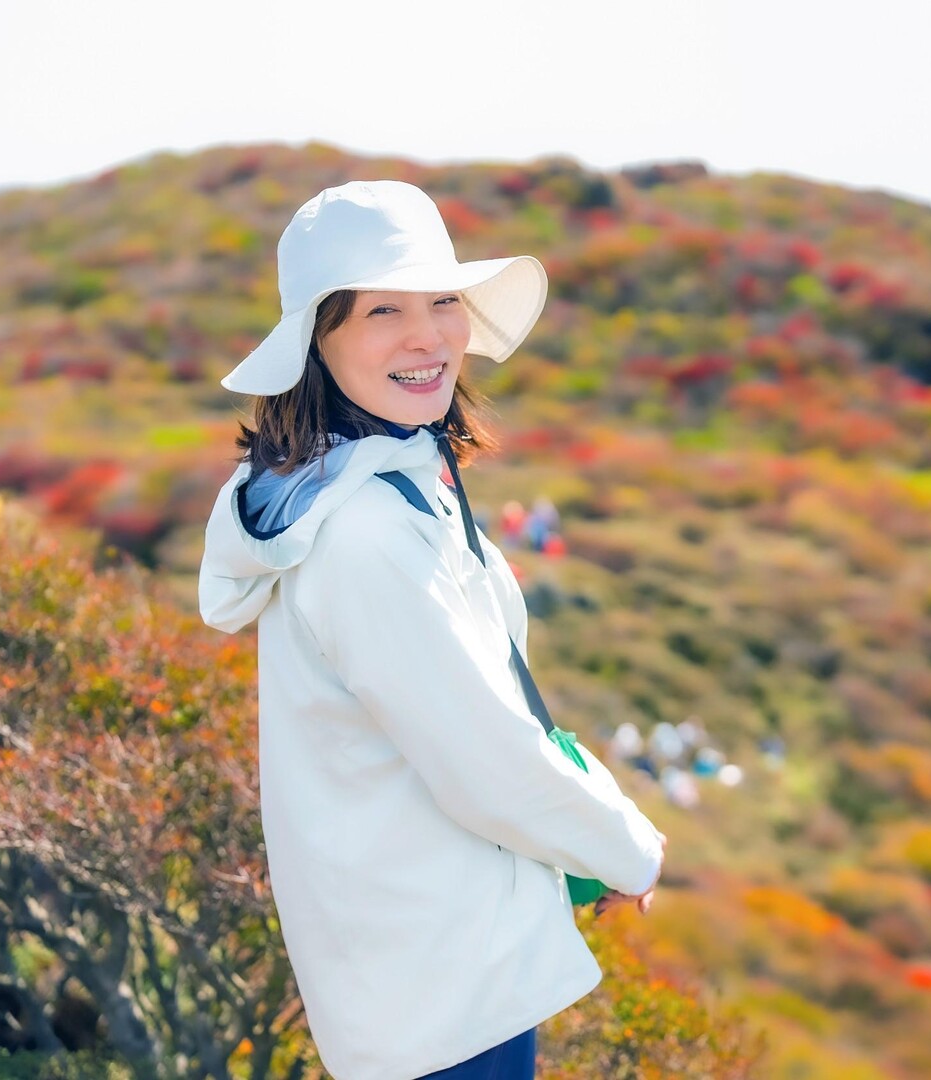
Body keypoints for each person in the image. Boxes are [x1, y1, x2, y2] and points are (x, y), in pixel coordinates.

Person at [198, 180, 667, 1080]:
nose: (429, 335)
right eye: (383, 310)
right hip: (436, 995)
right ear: (317, 341)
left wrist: (593, 820)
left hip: (434, 968)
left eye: (442, 300)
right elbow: (484, 760)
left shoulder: (392, 471)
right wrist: (626, 847)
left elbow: (486, 701)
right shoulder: (364, 532)